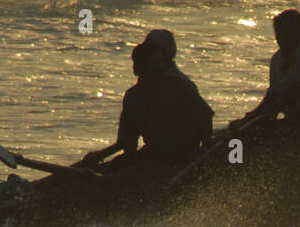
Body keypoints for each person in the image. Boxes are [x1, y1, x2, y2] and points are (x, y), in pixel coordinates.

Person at [81, 29, 213, 170]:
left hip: (183, 156)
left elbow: (205, 117)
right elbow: (127, 144)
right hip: (154, 157)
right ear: (137, 69)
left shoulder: (178, 85)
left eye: (161, 63)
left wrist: (203, 156)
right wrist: (99, 156)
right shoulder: (132, 97)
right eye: (155, 64)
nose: (160, 67)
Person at [230, 9, 300, 130]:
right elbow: (272, 96)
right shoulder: (276, 59)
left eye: (284, 33)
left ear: (298, 33)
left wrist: (262, 114)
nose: (279, 38)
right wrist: (250, 117)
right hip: (296, 116)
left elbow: (294, 90)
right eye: (278, 34)